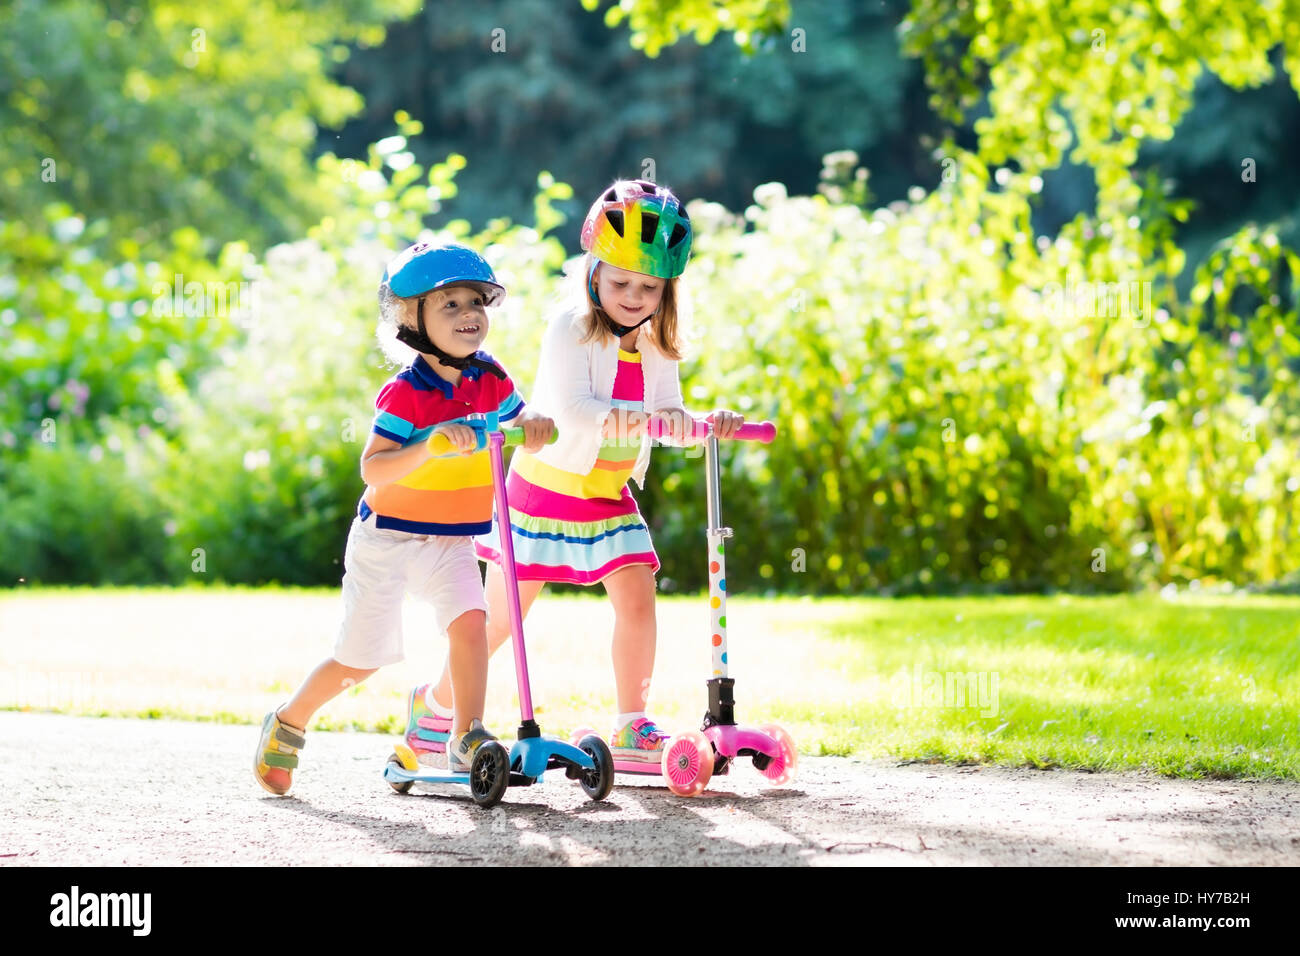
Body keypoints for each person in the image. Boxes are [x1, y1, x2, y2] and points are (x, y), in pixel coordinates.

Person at [404, 181, 742, 769]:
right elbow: (571, 414)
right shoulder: (570, 328)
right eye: (621, 282)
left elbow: (665, 412)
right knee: (502, 620)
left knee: (639, 596)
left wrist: (700, 423)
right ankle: (434, 708)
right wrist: (651, 422)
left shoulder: (658, 342)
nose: (634, 296)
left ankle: (632, 725)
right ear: (593, 272)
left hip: (607, 493)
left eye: (649, 286)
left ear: (667, 290)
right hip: (544, 492)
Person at [253, 242, 554, 794]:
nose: (470, 314)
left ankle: (466, 734)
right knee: (359, 661)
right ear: (410, 321)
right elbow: (374, 468)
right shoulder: (407, 393)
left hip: (452, 541)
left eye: (476, 302)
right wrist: (430, 447)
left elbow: (519, 412)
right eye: (450, 305)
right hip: (387, 538)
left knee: (471, 627)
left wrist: (534, 421)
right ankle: (290, 720)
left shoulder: (490, 377)